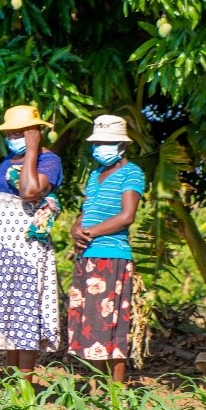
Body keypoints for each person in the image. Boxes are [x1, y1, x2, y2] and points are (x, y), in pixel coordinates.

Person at [0, 105, 63, 374]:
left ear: (35, 133)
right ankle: (11, 376)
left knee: (24, 308)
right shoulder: (8, 160)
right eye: (11, 133)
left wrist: (32, 149)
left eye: (20, 133)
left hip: (23, 245)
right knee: (8, 309)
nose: (13, 138)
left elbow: (29, 191)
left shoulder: (48, 161)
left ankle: (24, 383)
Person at [68, 115, 145, 384]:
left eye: (106, 142)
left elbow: (127, 216)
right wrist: (76, 228)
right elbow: (86, 211)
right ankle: (97, 384)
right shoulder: (95, 175)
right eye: (97, 142)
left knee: (112, 323)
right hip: (88, 255)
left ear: (122, 146)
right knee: (91, 324)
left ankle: (116, 387)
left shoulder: (132, 172)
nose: (100, 147)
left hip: (111, 255)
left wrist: (89, 233)